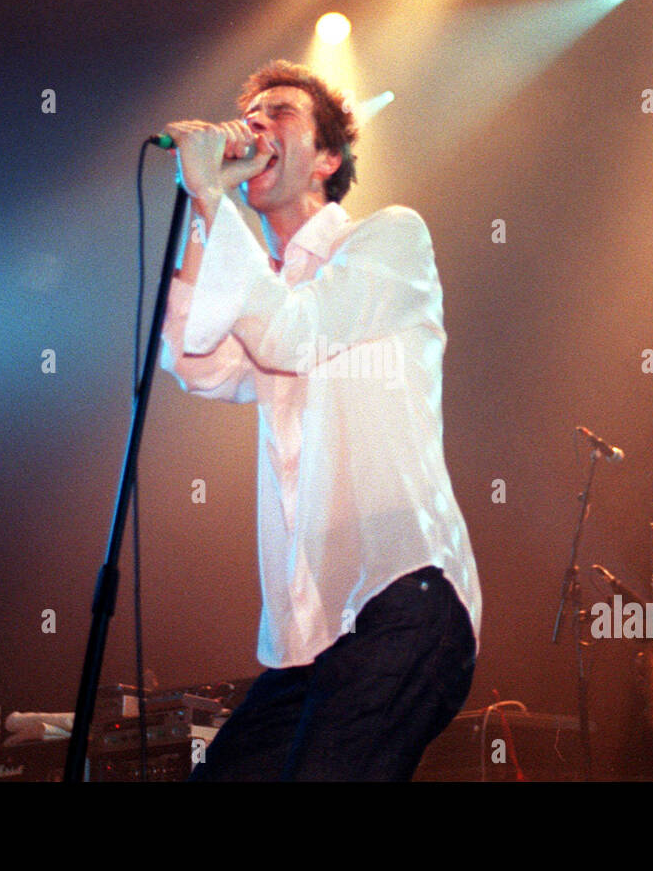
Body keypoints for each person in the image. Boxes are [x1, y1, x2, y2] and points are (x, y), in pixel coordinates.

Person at [159, 60, 480, 781]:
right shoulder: (266, 286)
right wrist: (203, 207)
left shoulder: (387, 240)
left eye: (280, 112)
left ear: (328, 158)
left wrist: (215, 196)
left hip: (403, 598)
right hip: (307, 644)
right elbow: (195, 360)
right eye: (251, 114)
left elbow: (294, 335)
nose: (255, 126)